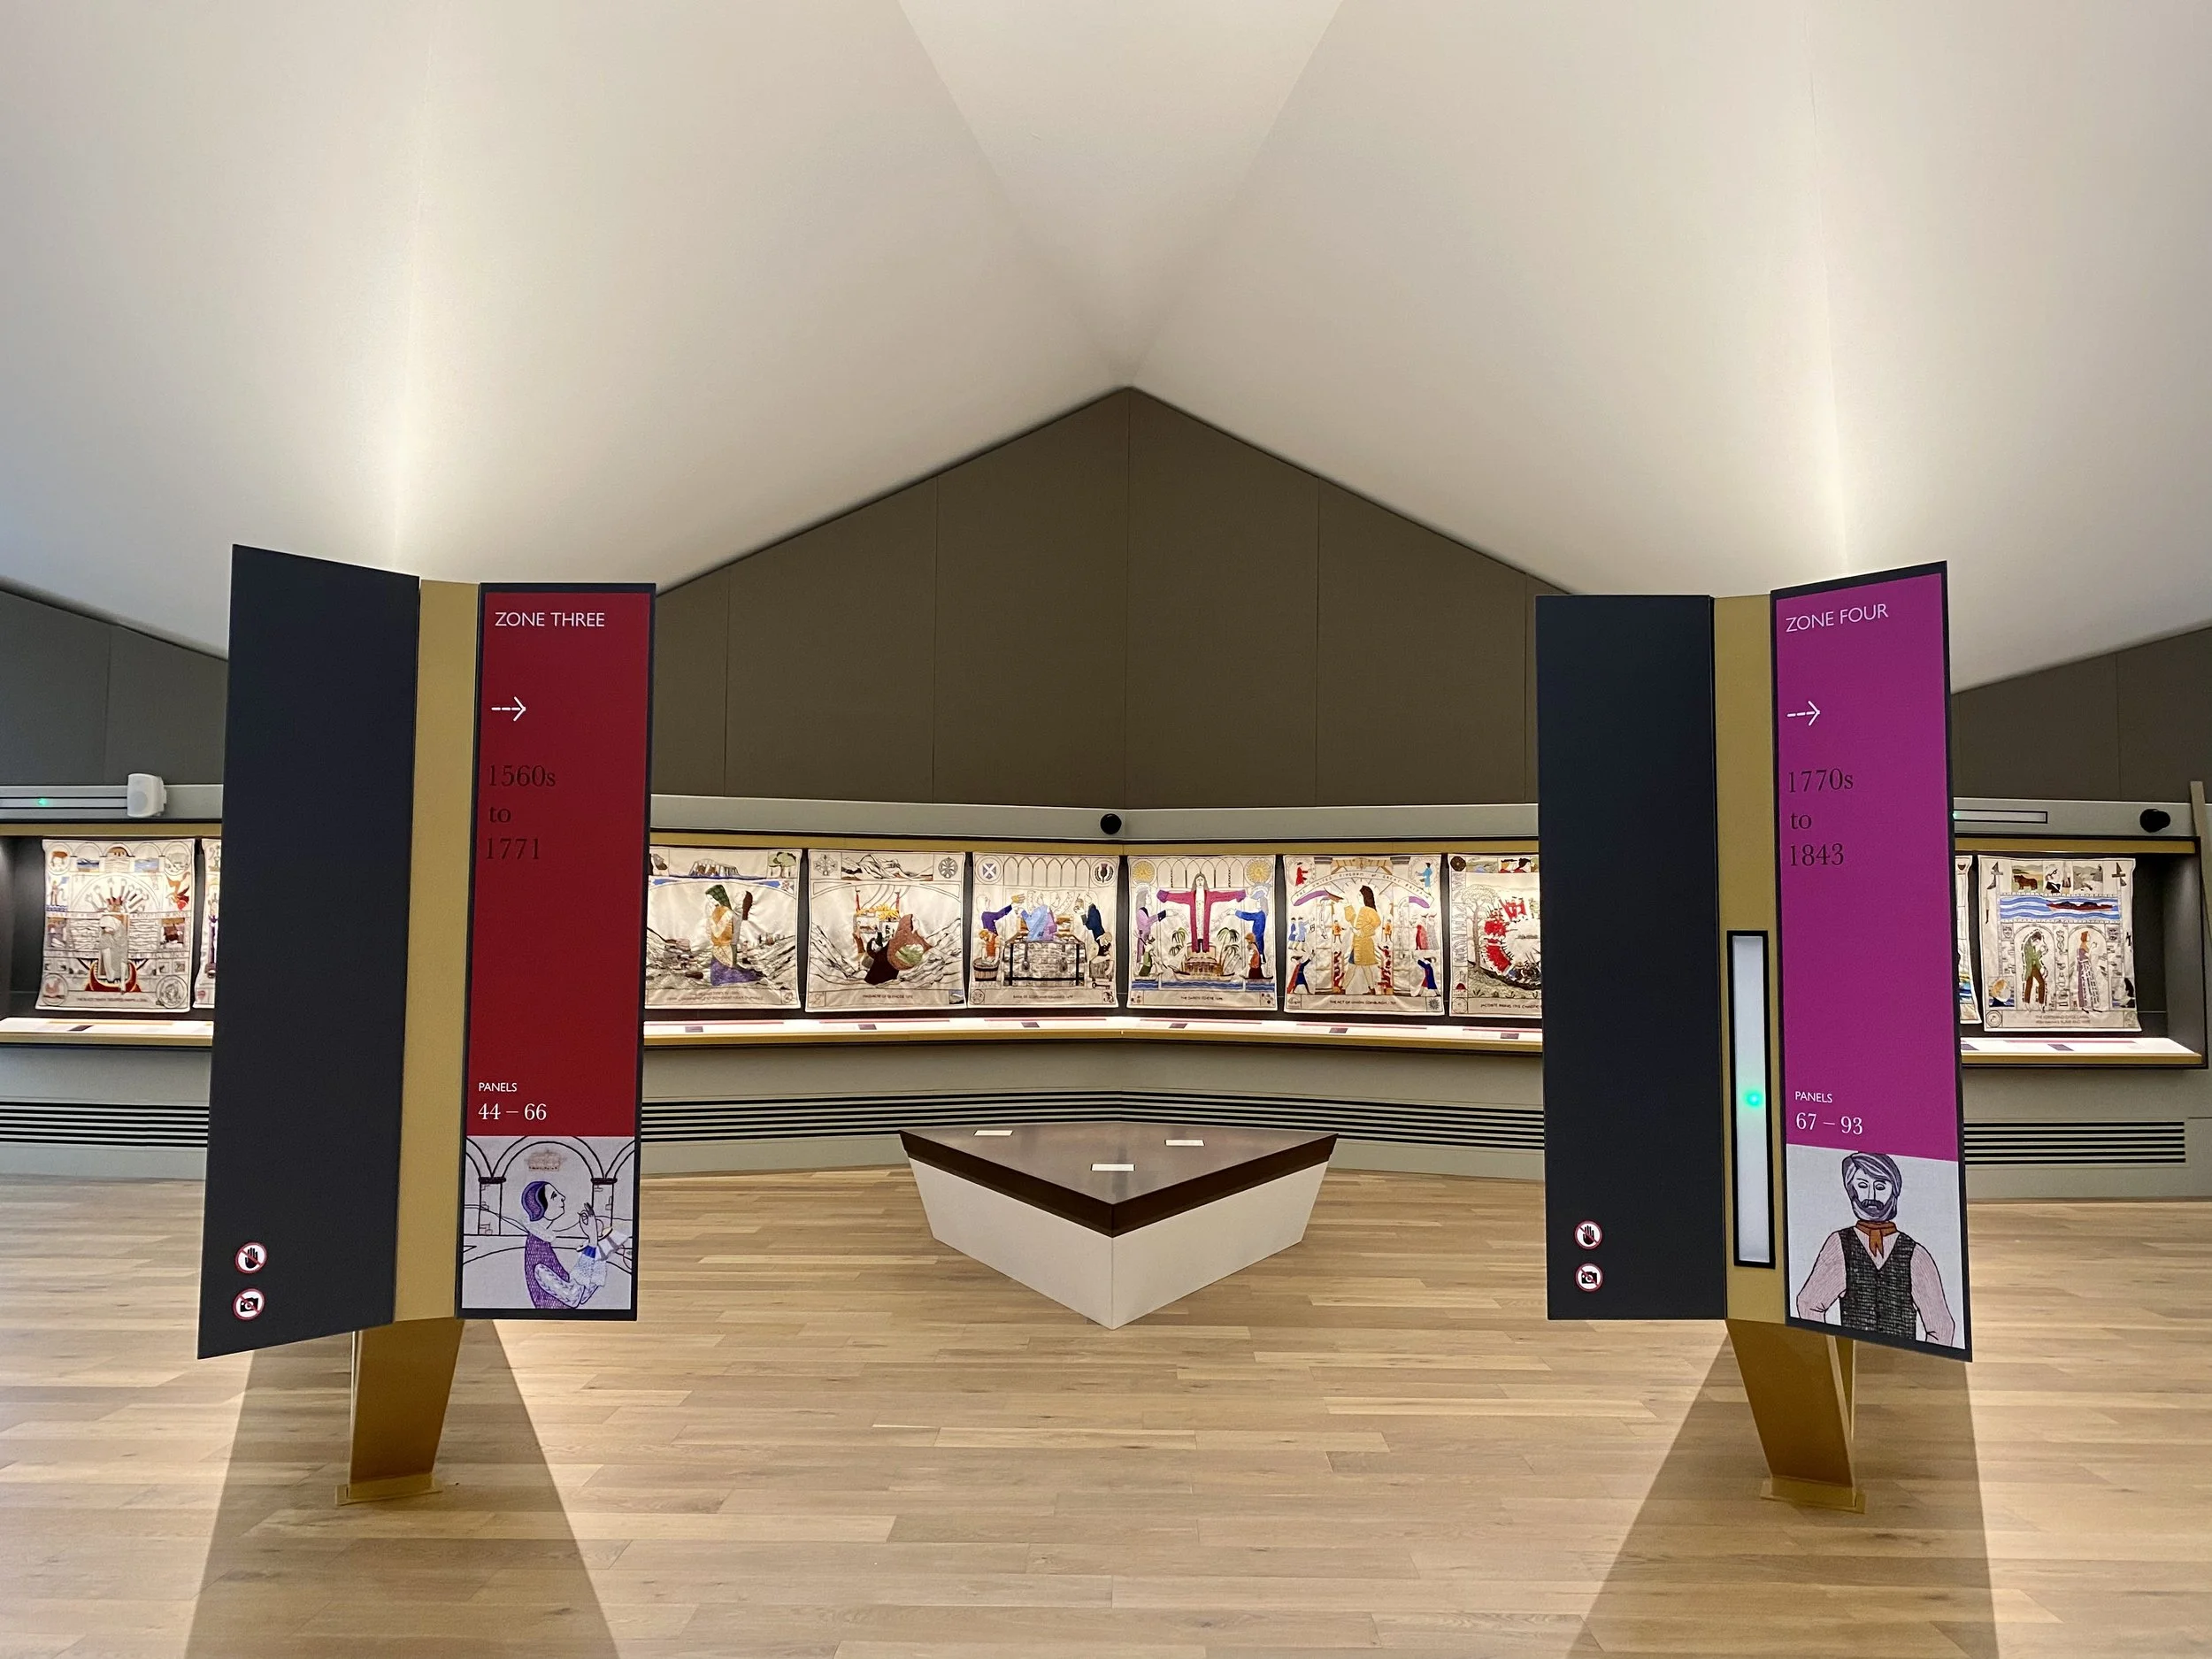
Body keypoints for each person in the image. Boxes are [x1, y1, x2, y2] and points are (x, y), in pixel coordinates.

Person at [1793, 1151, 1956, 1345]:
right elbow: (1809, 1303)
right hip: (1852, 1356)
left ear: (1894, 1191)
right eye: (1862, 1186)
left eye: (1880, 1187)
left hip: (1899, 1360)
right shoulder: (1840, 1245)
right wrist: (1831, 1349)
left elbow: (1942, 1327)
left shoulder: (1916, 1255)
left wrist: (1919, 1359)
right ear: (1851, 1190)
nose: (1871, 1196)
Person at [518, 1179, 611, 1310]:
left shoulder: (543, 1244)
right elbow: (573, 1298)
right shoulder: (537, 1253)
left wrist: (595, 1244)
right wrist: (592, 1243)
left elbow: (582, 1295)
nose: (562, 1197)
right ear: (540, 1208)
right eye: (554, 1196)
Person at [2021, 930, 2049, 1006]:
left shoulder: (2032, 944)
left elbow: (2036, 960)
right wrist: (2040, 951)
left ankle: (2040, 1002)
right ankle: (2027, 1002)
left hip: (2034, 966)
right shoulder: (2028, 945)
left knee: (2040, 983)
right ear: (2034, 939)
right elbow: (2034, 957)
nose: (2037, 944)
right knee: (2030, 984)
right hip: (2030, 968)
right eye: (2037, 942)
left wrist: (2040, 967)